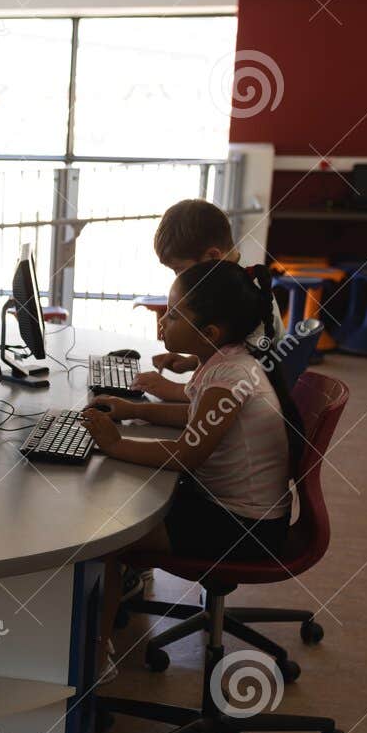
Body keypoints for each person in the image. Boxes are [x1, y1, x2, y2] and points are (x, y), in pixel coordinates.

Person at [81, 260, 304, 675]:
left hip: (244, 528)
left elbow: (187, 454)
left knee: (107, 539)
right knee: (124, 503)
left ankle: (93, 662)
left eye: (174, 314)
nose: (162, 322)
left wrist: (115, 445)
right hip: (234, 510)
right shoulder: (224, 361)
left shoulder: (229, 375)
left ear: (210, 333)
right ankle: (99, 628)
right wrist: (134, 410)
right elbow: (196, 419)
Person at [136, 199, 282, 401]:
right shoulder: (231, 279)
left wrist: (169, 389)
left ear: (212, 257)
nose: (178, 278)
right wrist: (190, 362)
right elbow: (228, 348)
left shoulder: (248, 295)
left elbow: (233, 386)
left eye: (179, 269)